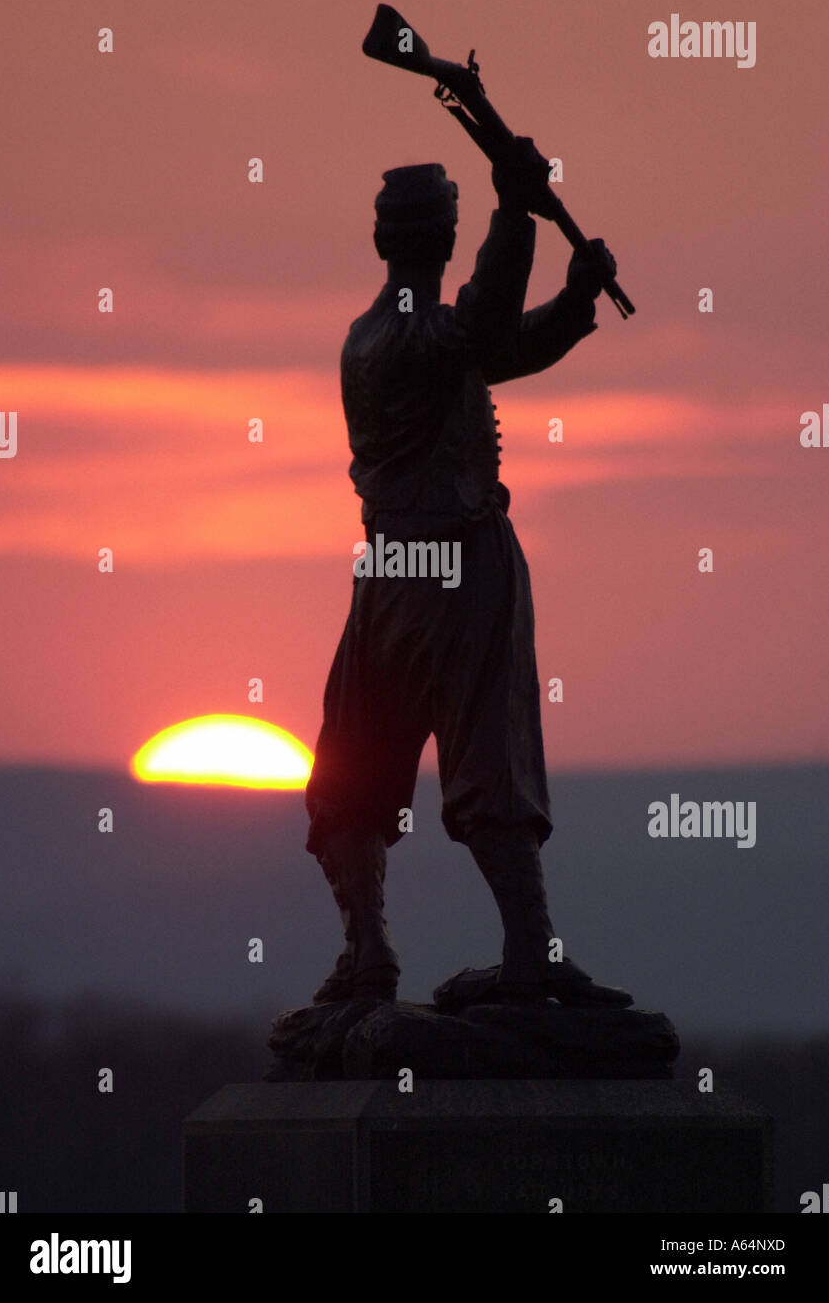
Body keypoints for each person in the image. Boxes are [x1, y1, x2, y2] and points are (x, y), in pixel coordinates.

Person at [305, 140, 632, 1009]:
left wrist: (569, 300)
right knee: (485, 755)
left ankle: (371, 951)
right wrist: (516, 210)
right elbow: (484, 331)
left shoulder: (380, 333)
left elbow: (493, 348)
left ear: (384, 242)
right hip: (454, 568)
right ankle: (525, 949)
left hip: (391, 570)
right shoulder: (409, 335)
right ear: (442, 240)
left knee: (350, 768)